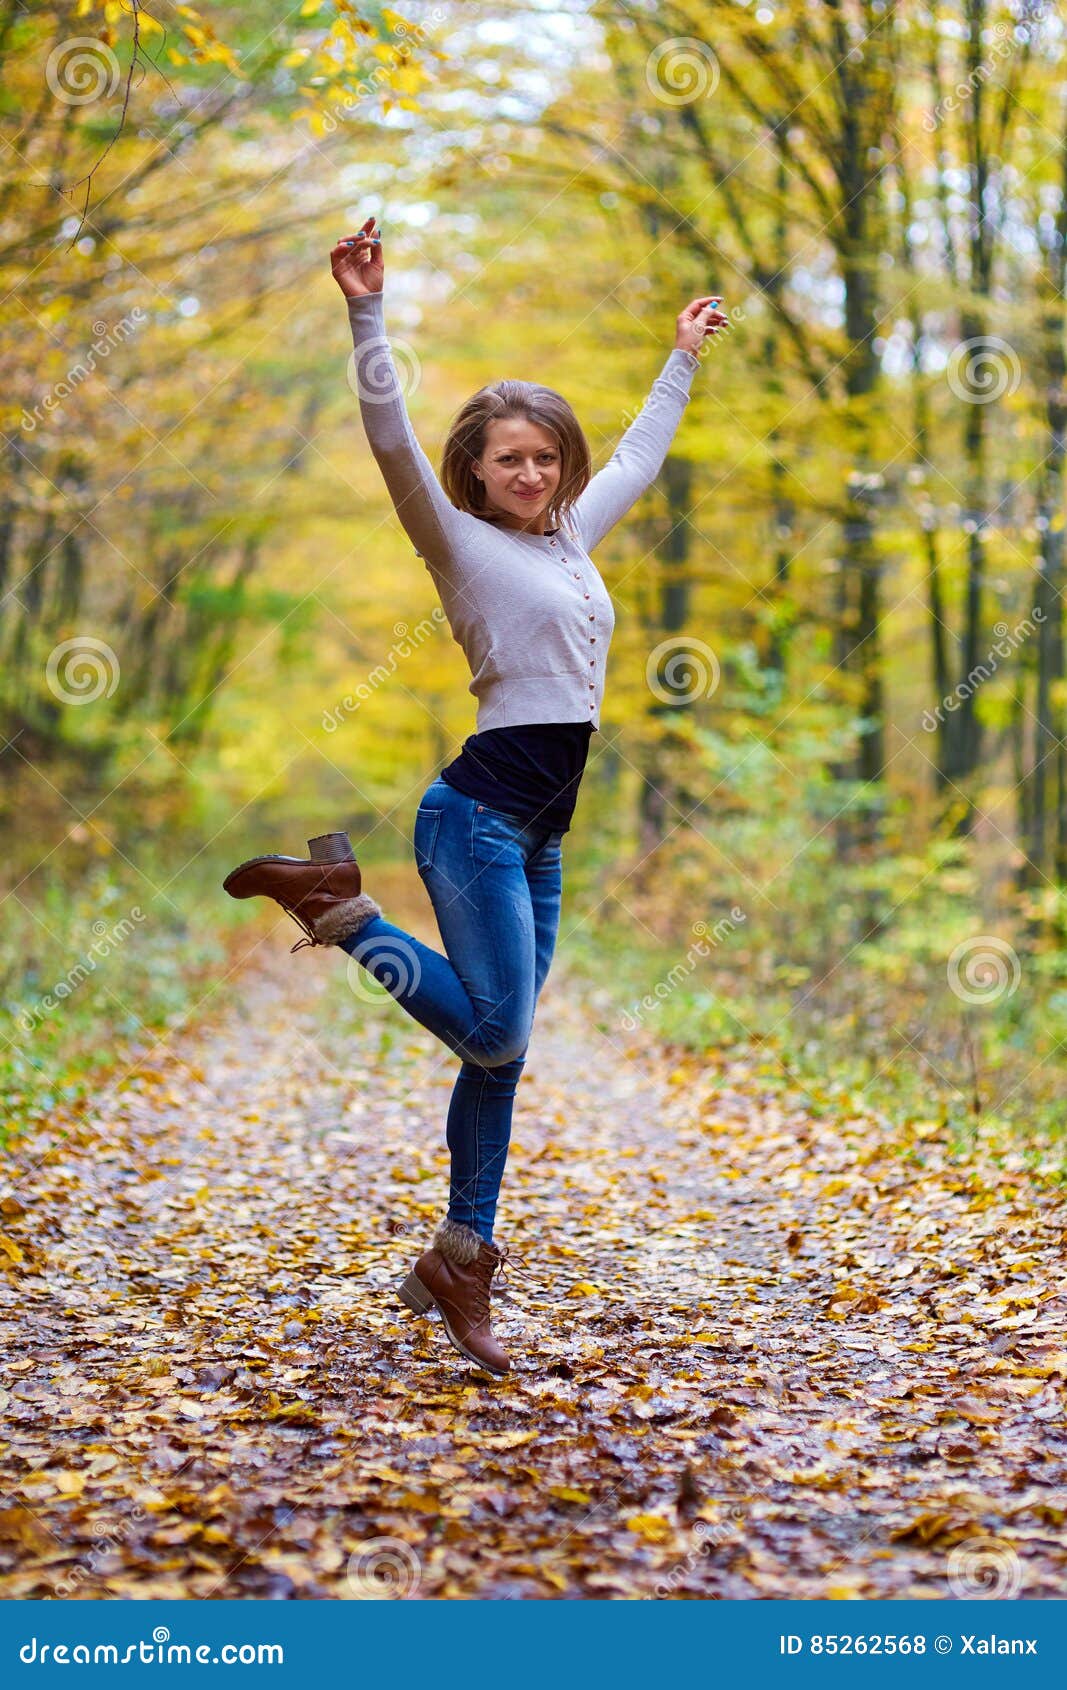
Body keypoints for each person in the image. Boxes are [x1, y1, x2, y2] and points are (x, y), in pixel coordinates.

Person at [224, 214, 726, 1376]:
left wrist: (681, 356)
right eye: (510, 456)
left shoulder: (570, 541)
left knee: (498, 1055)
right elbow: (390, 436)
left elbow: (640, 459)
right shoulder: (453, 541)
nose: (533, 471)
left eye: (546, 455)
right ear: (476, 469)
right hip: (475, 818)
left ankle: (461, 1254)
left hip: (539, 834)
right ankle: (341, 910)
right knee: (497, 1025)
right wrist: (364, 310)